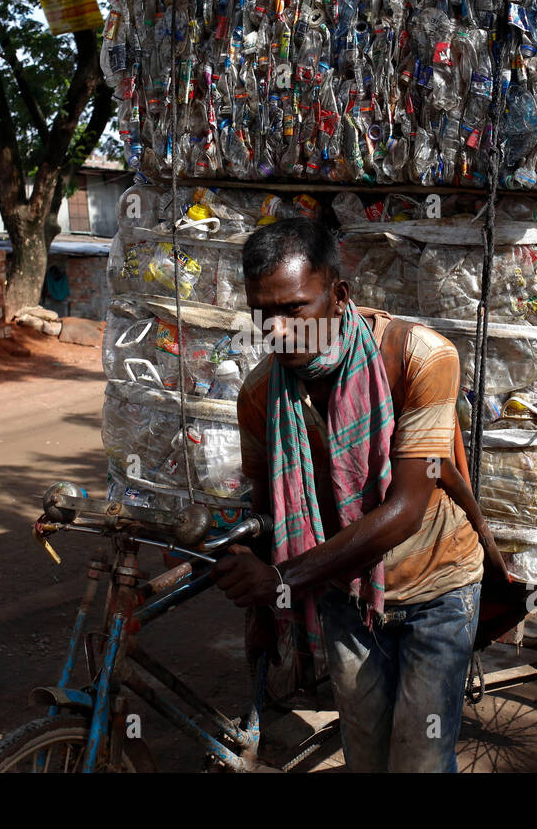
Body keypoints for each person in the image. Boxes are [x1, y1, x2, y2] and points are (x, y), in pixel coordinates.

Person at [211, 216, 503, 772]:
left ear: (339, 295)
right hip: (344, 593)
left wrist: (282, 579)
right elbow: (268, 506)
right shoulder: (259, 395)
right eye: (262, 314)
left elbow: (409, 506)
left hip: (436, 584)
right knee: (365, 754)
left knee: (419, 756)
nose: (277, 331)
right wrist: (254, 589)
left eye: (294, 308)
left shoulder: (420, 356)